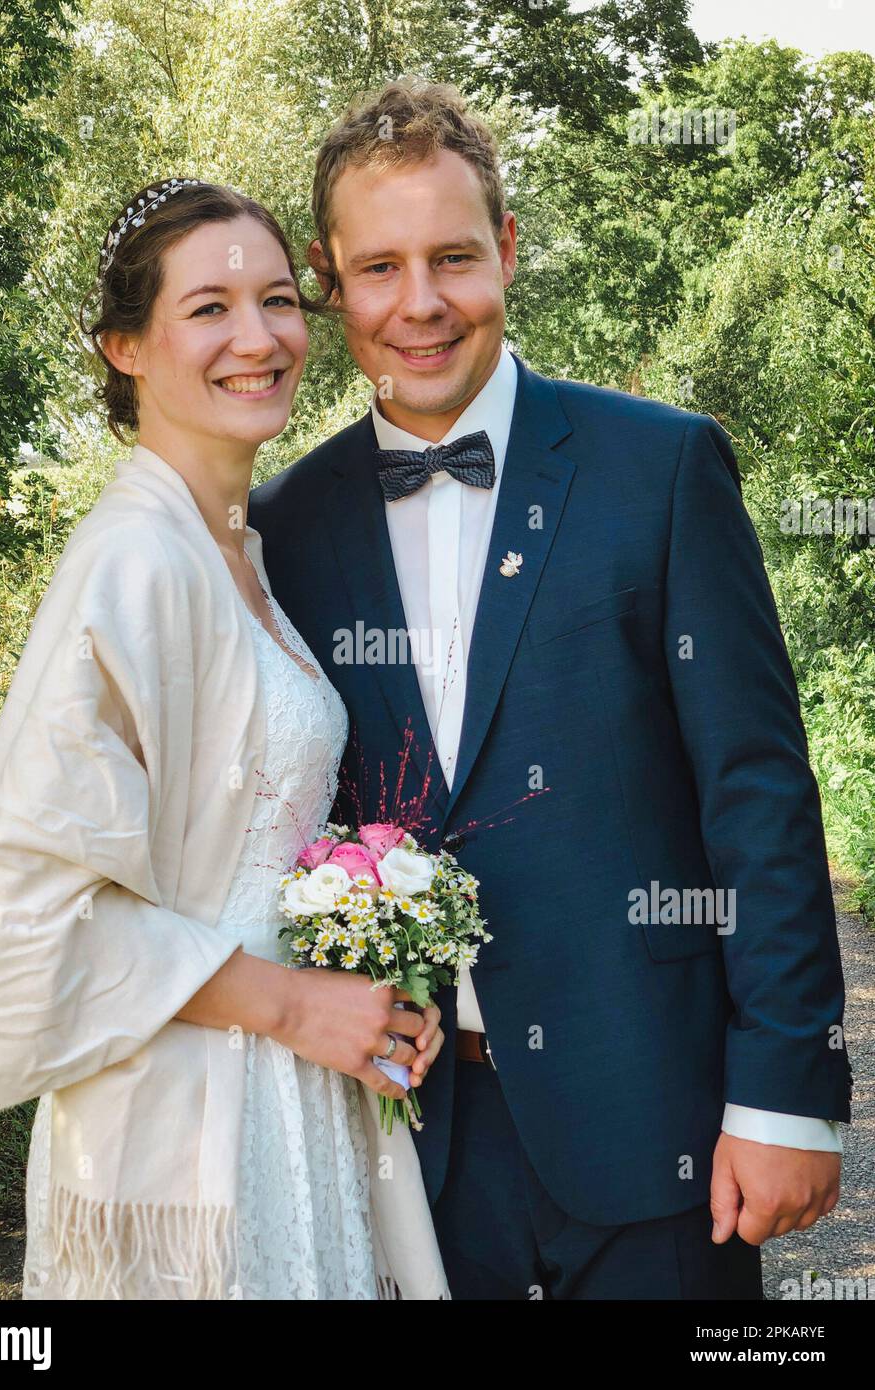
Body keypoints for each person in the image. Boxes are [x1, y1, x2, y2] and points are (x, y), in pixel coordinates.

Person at [248, 80, 853, 1300]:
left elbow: (758, 790)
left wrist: (789, 1091)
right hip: (401, 1150)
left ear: (508, 251)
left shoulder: (663, 464)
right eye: (379, 268)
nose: (420, 304)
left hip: (659, 1131)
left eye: (454, 257)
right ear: (330, 279)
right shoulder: (279, 528)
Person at [0, 178, 449, 1300]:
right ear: (126, 345)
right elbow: (19, 909)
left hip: (292, 1096)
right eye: (209, 308)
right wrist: (294, 1004)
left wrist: (363, 979)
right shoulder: (133, 561)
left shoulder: (243, 553)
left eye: (277, 300)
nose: (259, 337)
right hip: (178, 1117)